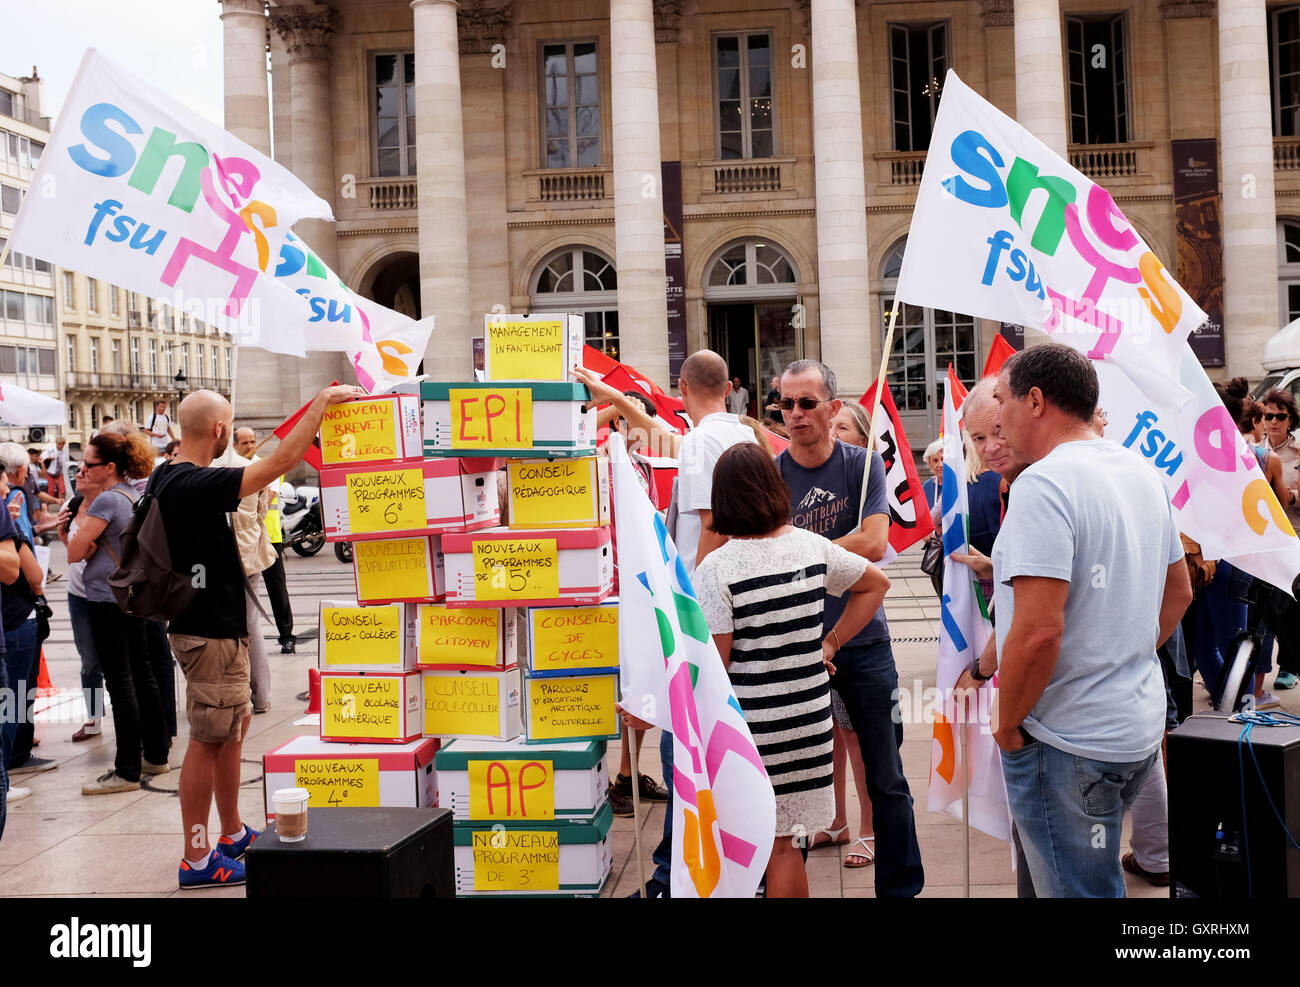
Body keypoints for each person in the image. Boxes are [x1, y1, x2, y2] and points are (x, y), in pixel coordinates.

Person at [989, 344, 1191, 897]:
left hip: (1068, 741)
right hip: (1131, 728)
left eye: (1002, 400)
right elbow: (1178, 592)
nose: (997, 417)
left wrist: (1007, 726)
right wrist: (1124, 651)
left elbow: (1038, 631)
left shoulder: (1044, 485)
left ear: (1035, 402)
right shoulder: (1141, 470)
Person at [158, 384, 359, 889]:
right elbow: (284, 459)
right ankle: (198, 859)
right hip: (209, 634)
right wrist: (318, 404)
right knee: (206, 742)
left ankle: (231, 832)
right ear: (221, 430)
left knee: (232, 730)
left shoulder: (171, 475)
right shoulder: (193, 483)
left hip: (218, 625)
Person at [695, 443, 890, 897]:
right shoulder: (810, 547)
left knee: (767, 844)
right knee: (786, 843)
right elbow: (876, 582)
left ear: (724, 499)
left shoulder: (717, 569)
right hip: (807, 721)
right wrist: (830, 641)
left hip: (753, 730)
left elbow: (717, 667)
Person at [775, 359, 925, 898]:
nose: (794, 413)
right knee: (790, 778)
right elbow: (766, 555)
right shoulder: (773, 473)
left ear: (833, 408)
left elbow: (877, 544)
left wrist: (801, 555)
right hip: (795, 646)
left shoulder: (862, 465)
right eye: (785, 403)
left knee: (885, 775)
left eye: (806, 403)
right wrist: (836, 555)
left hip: (864, 643)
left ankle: (901, 887)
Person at [637, 349, 755, 898]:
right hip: (733, 600)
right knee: (704, 737)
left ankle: (674, 876)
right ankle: (695, 862)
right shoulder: (741, 435)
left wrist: (691, 601)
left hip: (701, 611)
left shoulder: (704, 442)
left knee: (681, 743)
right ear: (729, 386)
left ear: (680, 385)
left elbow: (712, 526)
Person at [70, 432, 171, 795]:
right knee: (143, 673)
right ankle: (156, 754)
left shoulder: (105, 502)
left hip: (106, 598)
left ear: (109, 467)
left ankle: (126, 769)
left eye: (89, 464)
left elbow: (74, 551)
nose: (82, 469)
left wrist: (83, 510)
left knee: (120, 680)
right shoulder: (132, 494)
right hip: (134, 596)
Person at [822, 401, 879, 867]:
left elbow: (874, 544)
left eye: (843, 427)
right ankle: (836, 821)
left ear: (862, 438)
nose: (833, 433)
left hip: (854, 634)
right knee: (828, 737)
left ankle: (867, 828)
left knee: (855, 735)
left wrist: (808, 552)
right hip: (812, 630)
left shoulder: (862, 477)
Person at [0, 443, 53, 777]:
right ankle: (13, 757)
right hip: (17, 615)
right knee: (17, 693)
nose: (7, 486)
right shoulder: (8, 514)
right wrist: (39, 596)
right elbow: (30, 573)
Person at [212, 439, 277, 714]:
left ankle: (224, 695)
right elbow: (263, 509)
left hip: (212, 559)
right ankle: (260, 696)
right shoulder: (251, 467)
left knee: (215, 629)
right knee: (252, 627)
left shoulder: (202, 468)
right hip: (248, 553)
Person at [233, 427, 296, 654]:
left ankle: (287, 636)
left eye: (252, 441)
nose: (250, 446)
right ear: (235, 445)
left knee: (277, 589)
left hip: (269, 536)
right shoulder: (229, 468)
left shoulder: (268, 467)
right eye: (245, 443)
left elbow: (268, 498)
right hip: (242, 538)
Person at [57, 478, 105, 742]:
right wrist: (64, 538)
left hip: (108, 596)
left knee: (118, 662)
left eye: (88, 471)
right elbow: (71, 551)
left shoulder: (109, 506)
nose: (81, 476)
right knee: (89, 663)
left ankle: (129, 716)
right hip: (79, 596)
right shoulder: (72, 506)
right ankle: (94, 718)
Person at [1259, 388, 1300, 691]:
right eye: (1268, 415)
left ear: (1290, 419)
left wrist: (1291, 497)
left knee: (1293, 602)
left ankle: (1288, 666)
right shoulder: (1255, 451)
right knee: (1272, 605)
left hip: (1295, 533)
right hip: (1265, 538)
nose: (1273, 421)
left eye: (1279, 416)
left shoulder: (1298, 450)